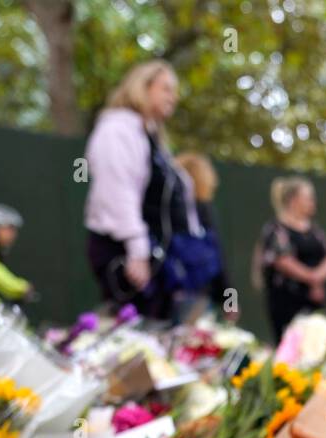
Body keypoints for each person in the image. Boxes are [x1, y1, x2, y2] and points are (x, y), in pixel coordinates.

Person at [83, 60, 215, 322]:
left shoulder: (150, 136)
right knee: (132, 336)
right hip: (125, 253)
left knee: (158, 338)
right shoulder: (117, 130)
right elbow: (116, 191)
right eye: (166, 88)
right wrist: (137, 250)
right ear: (142, 88)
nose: (173, 97)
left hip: (155, 258)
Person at [255, 176, 326, 342]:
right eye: (308, 198)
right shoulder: (277, 230)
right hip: (287, 304)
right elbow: (282, 260)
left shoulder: (315, 230)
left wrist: (318, 280)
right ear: (293, 200)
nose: (313, 202)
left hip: (315, 303)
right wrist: (312, 278)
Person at [175, 152, 238, 323]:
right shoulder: (203, 209)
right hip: (197, 294)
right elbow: (219, 257)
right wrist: (230, 301)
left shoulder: (169, 210)